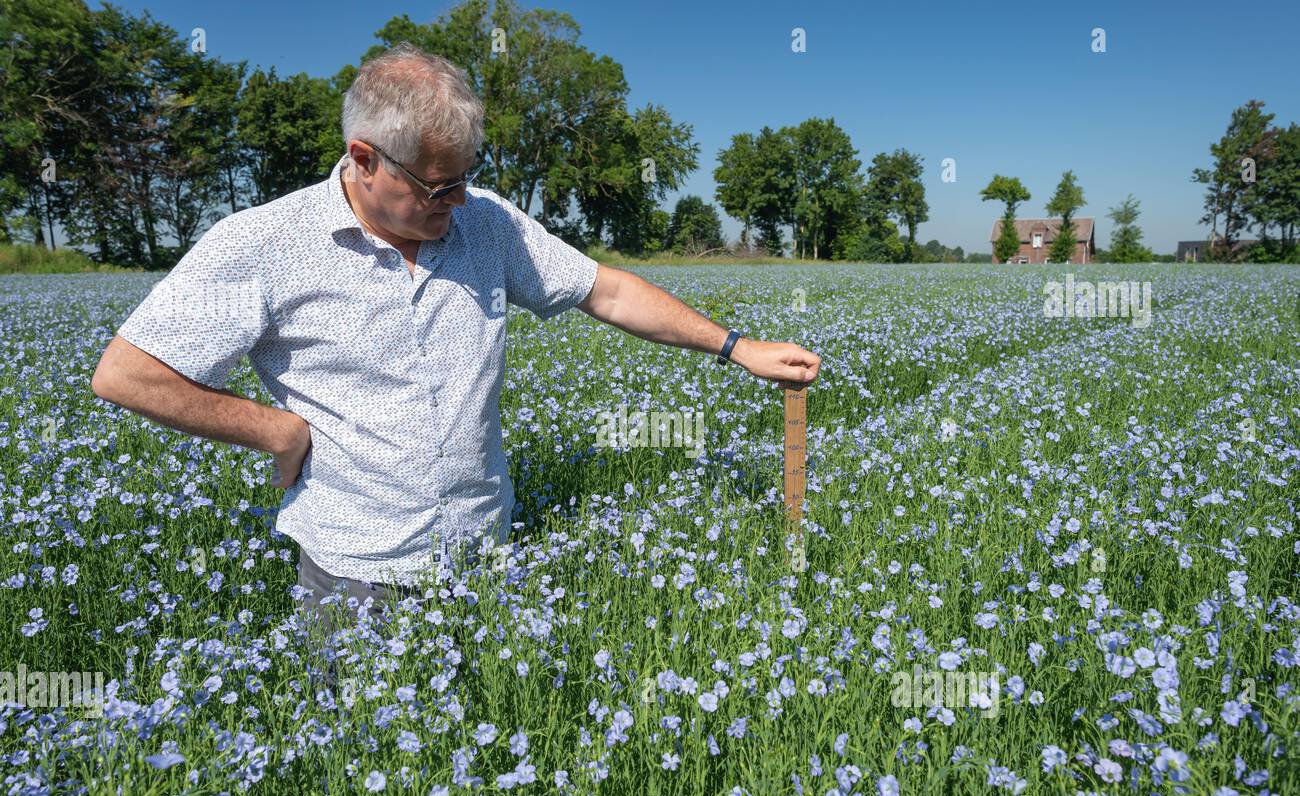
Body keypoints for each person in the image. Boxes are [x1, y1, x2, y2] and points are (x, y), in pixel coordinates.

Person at [90, 42, 821, 626]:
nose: (456, 202)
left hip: (482, 557)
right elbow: (126, 374)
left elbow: (609, 290)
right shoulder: (263, 242)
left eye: (465, 179)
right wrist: (277, 432)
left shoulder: (487, 222)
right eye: (437, 188)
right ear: (364, 158)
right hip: (357, 575)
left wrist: (737, 347)